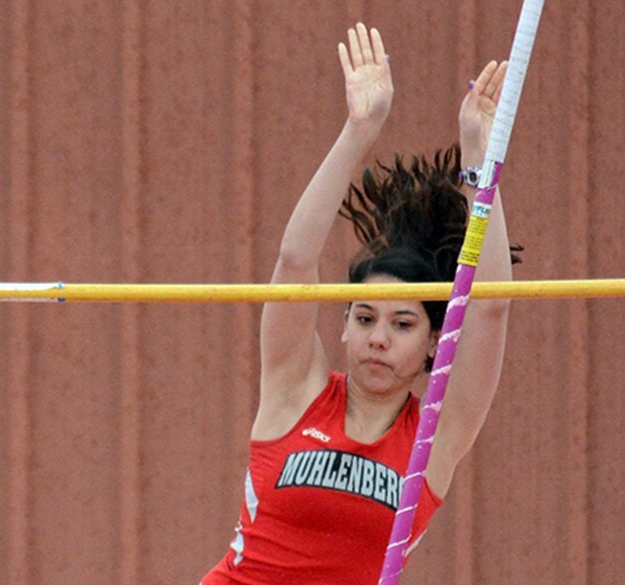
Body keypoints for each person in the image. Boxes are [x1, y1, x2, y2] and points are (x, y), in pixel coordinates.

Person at [202, 22, 518, 585]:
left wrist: (479, 160)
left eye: (402, 324)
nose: (379, 337)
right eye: (366, 317)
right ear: (344, 324)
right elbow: (294, 262)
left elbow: (490, 307)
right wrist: (358, 130)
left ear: (433, 344)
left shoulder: (435, 436)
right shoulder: (296, 392)